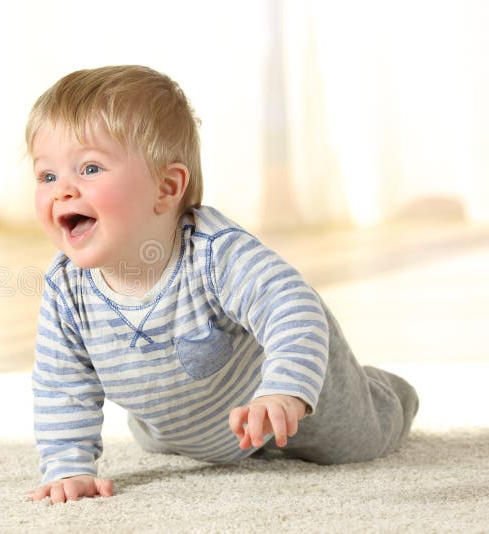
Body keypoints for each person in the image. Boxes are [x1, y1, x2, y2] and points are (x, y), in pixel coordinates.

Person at [25, 65, 418, 504]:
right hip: (190, 419)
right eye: (47, 176)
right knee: (161, 439)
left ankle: (387, 392)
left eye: (90, 168)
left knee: (356, 441)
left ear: (166, 187)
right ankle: (192, 422)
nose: (62, 191)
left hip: (287, 383)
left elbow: (292, 306)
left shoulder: (214, 253)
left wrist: (283, 390)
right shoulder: (66, 287)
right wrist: (68, 467)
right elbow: (62, 384)